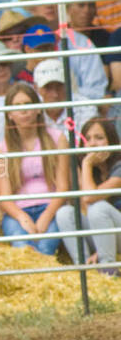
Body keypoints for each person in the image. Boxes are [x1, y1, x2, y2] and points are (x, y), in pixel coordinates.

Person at [0, 82, 68, 255]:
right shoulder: (1, 150)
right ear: (10, 115)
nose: (24, 110)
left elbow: (63, 188)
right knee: (23, 251)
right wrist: (22, 217)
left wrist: (46, 216)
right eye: (17, 106)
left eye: (28, 105)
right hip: (18, 211)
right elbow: (4, 196)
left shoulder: (58, 139)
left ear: (38, 109)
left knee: (45, 250)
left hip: (51, 207)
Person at [56, 116, 121, 271]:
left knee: (98, 208)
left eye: (99, 138)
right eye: (89, 138)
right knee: (64, 213)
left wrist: (86, 163)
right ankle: (86, 268)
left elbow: (90, 198)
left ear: (111, 142)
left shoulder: (118, 166)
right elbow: (85, 207)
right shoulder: (90, 170)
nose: (92, 143)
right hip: (106, 235)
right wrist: (86, 167)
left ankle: (108, 269)